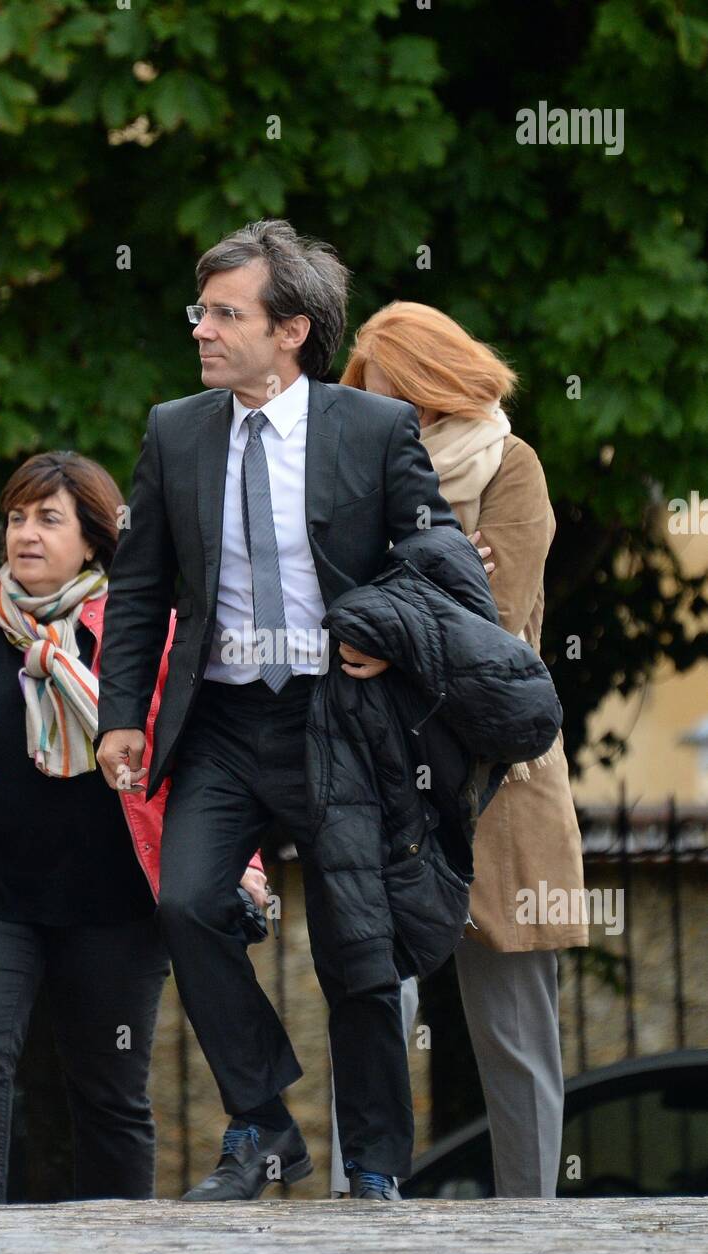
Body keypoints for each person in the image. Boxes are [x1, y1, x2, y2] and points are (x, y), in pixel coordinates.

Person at [97, 220, 462, 1202]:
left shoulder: (372, 431)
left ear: (290, 330)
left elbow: (439, 564)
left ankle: (378, 1166)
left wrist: (383, 629)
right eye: (199, 311)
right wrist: (118, 712)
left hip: (332, 717)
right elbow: (137, 590)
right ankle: (261, 1123)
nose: (202, 331)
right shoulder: (174, 431)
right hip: (216, 719)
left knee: (357, 944)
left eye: (225, 314)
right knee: (185, 902)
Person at [0, 451, 265, 1202]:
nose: (26, 534)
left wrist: (246, 864)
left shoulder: (146, 631)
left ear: (94, 538)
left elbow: (212, 757)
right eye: (16, 517)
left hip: (113, 903)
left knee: (108, 1093)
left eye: (49, 518)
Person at [334, 301, 587, 1197]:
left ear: (439, 386)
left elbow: (497, 637)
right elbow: (334, 615)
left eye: (396, 394)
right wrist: (432, 591)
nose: (380, 413)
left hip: (503, 788)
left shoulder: (511, 466)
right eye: (369, 396)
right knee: (373, 1002)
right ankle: (360, 1210)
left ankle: (532, 1223)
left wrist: (390, 614)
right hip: (383, 776)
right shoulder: (352, 474)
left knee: (516, 1031)